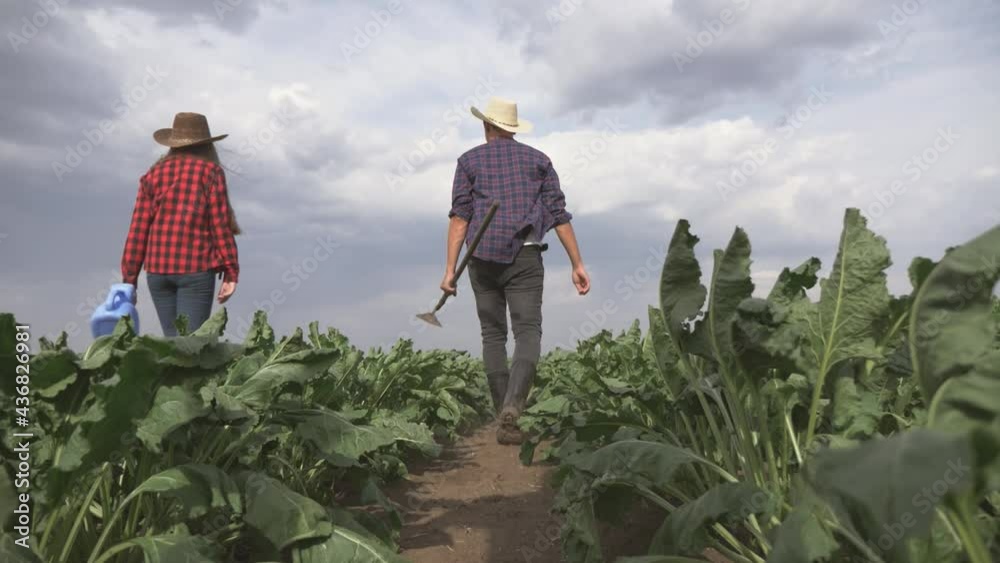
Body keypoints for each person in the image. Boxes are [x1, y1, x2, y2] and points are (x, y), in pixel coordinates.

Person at [442, 97, 590, 445]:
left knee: (493, 336)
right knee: (527, 332)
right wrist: (577, 263)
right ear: (512, 128)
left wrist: (450, 270)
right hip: (525, 256)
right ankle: (513, 408)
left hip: (480, 259)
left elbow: (459, 218)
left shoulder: (468, 161)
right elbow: (558, 215)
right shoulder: (539, 161)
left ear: (486, 126)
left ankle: (501, 414)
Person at [121, 112, 241, 336]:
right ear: (206, 145)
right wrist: (231, 271)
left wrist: (129, 280)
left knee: (172, 345)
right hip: (194, 269)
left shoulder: (152, 175)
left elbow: (138, 231)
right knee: (190, 348)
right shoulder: (210, 173)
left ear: (173, 144)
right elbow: (220, 225)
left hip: (157, 272)